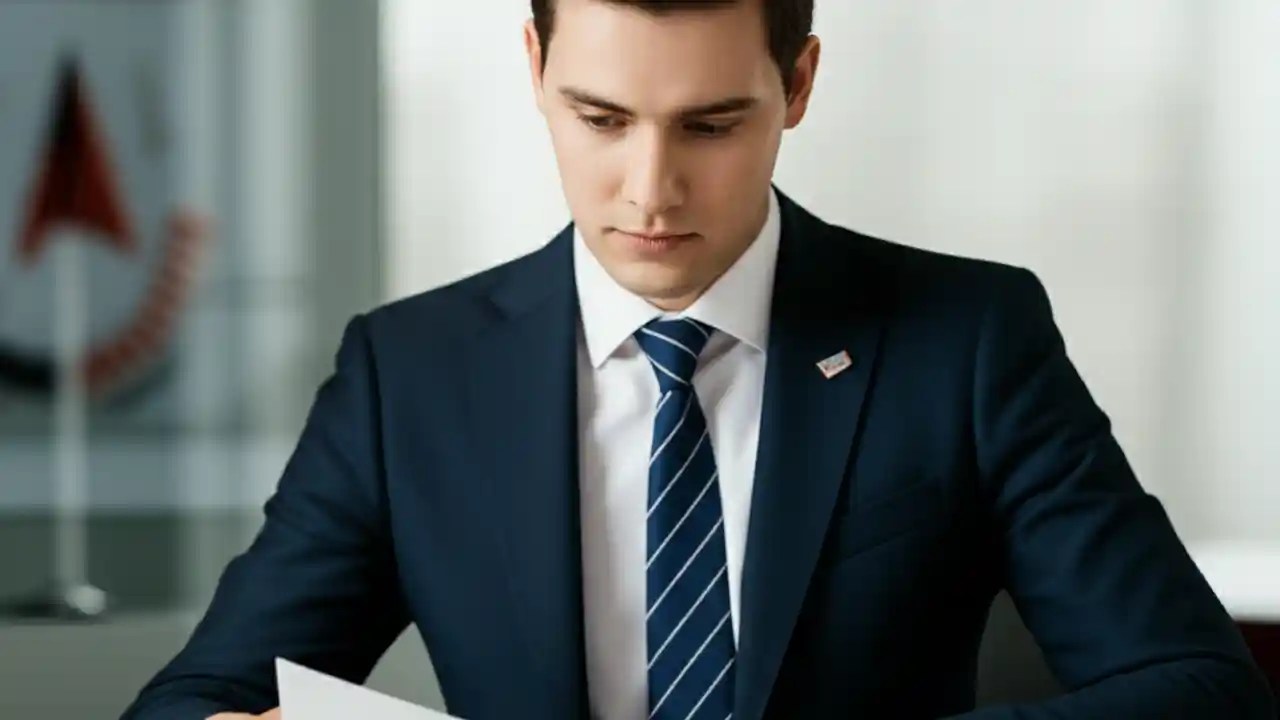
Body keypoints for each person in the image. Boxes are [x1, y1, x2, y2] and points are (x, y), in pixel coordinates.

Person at [122, 1, 1275, 718]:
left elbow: (1198, 692)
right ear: (533, 68)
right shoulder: (407, 375)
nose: (649, 190)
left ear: (801, 83)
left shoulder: (967, 339)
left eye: (711, 125)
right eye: (599, 117)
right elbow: (199, 697)